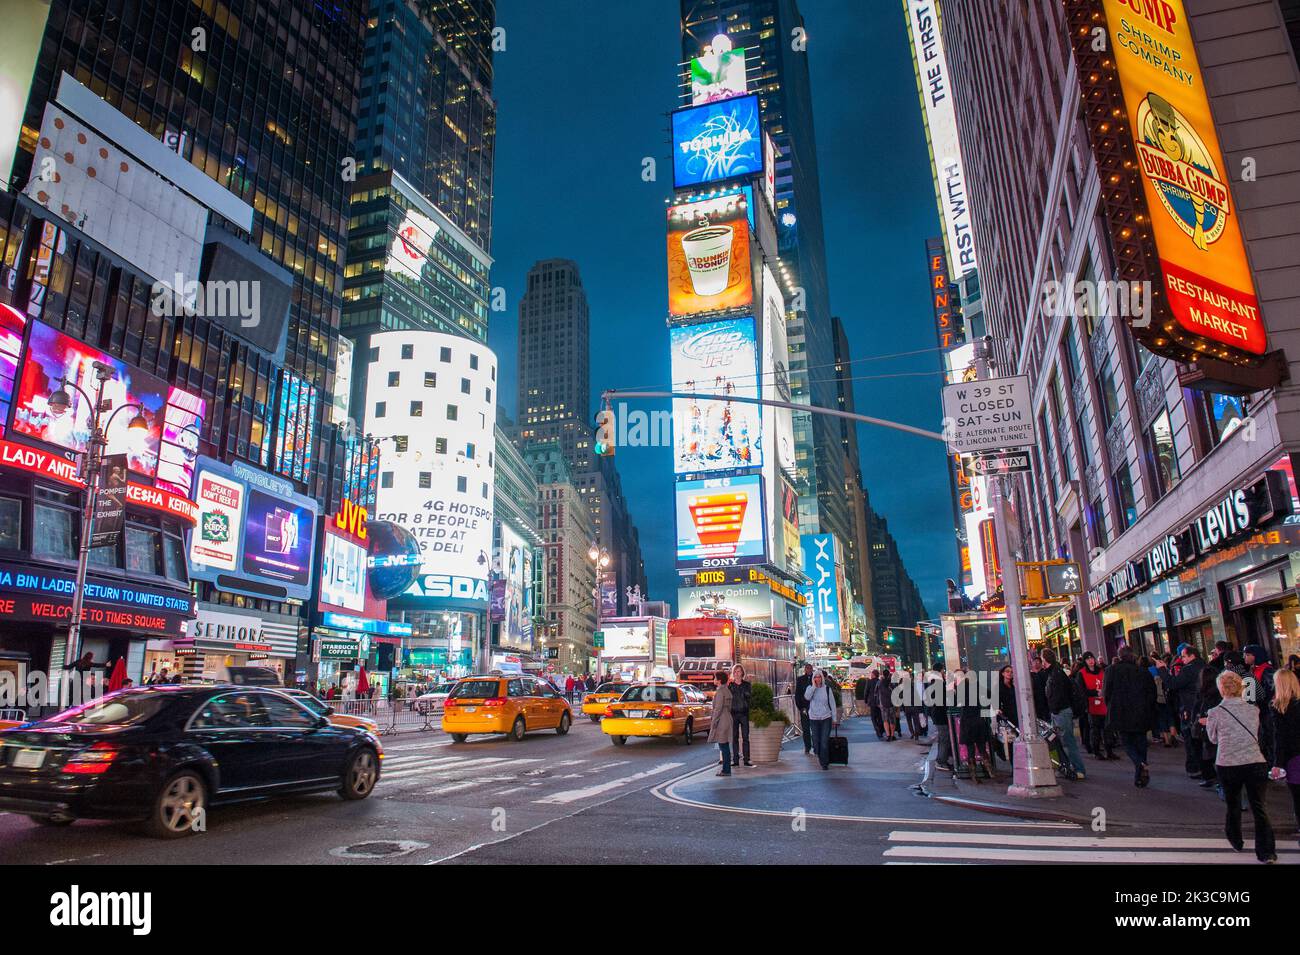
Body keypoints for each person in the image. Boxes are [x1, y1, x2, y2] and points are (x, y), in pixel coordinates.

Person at [1203, 670, 1277, 863]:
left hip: (1228, 762)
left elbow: (1212, 738)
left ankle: (1236, 839)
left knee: (1233, 803)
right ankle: (1267, 851)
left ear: (1221, 689)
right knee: (1259, 806)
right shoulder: (1254, 710)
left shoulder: (1215, 712)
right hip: (1254, 761)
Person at [1104, 647, 1157, 787]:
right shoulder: (1143, 672)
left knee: (1127, 742)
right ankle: (1140, 771)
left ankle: (1139, 764)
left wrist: (1110, 706)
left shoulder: (1111, 670)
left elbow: (1106, 692)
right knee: (1140, 742)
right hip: (1141, 712)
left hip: (1121, 712)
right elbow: (1152, 693)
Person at [1042, 648, 1086, 779]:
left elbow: (1059, 695)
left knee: (1067, 741)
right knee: (1059, 742)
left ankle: (1078, 769)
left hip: (1061, 711)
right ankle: (1068, 767)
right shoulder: (1055, 672)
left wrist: (1054, 708)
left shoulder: (1056, 674)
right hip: (1058, 712)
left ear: (1045, 660)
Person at [1269, 668, 1300, 840]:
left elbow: (1280, 738)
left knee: (1297, 797)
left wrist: (1277, 763)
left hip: (1294, 757)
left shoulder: (1280, 708)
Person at [1168, 644, 1206, 777]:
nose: (1181, 659)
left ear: (1192, 656)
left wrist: (1162, 670)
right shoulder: (1205, 666)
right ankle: (1205, 769)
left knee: (1192, 739)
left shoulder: (1188, 670)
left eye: (1183, 656)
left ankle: (1196, 768)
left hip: (1190, 708)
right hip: (1203, 707)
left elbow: (1173, 684)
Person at [958, 669, 998, 780]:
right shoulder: (980, 688)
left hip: (967, 721)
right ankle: (990, 770)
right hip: (979, 721)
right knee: (981, 747)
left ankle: (973, 774)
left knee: (970, 748)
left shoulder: (962, 689)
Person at [1077, 653, 1117, 760]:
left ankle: (1109, 750)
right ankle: (1096, 751)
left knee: (1107, 729)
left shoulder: (1101, 671)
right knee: (1095, 729)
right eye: (1088, 659)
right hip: (1091, 704)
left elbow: (1107, 684)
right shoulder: (1082, 674)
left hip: (1103, 703)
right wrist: (1095, 692)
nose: (1090, 661)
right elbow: (1081, 691)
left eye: (1091, 658)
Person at [804, 669, 838, 770]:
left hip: (826, 717)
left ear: (822, 678)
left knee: (824, 741)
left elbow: (832, 704)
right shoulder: (810, 688)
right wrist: (814, 687)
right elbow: (807, 697)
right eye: (815, 677)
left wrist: (834, 718)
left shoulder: (827, 689)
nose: (817, 679)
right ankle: (819, 753)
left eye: (819, 677)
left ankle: (824, 763)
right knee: (815, 741)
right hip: (813, 718)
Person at [707, 672, 735, 776]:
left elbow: (717, 709)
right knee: (725, 745)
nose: (713, 679)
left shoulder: (719, 692)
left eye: (715, 678)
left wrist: (713, 722)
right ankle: (726, 769)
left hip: (722, 720)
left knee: (723, 746)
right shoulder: (727, 690)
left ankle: (726, 770)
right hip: (728, 718)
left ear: (719, 680)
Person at [926, 669, 953, 771]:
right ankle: (941, 761)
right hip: (940, 715)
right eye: (942, 672)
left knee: (943, 738)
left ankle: (942, 759)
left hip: (938, 715)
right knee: (944, 738)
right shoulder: (938, 686)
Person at [729, 664, 753, 768]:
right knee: (734, 738)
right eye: (735, 671)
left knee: (745, 737)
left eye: (739, 671)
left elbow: (749, 697)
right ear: (733, 673)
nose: (737, 673)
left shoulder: (747, 685)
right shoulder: (730, 686)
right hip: (733, 714)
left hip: (744, 714)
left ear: (742, 673)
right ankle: (735, 760)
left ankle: (747, 759)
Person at [794, 663, 815, 755]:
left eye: (810, 669)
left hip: (815, 708)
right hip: (804, 708)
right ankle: (807, 746)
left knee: (814, 728)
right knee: (806, 728)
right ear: (805, 670)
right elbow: (797, 694)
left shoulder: (816, 678)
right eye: (807, 669)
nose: (809, 670)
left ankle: (816, 746)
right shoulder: (800, 679)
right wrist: (800, 707)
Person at [874, 668, 899, 741]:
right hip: (892, 704)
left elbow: (875, 693)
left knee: (885, 720)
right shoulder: (892, 683)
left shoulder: (879, 683)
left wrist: (878, 703)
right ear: (889, 675)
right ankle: (892, 735)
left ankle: (888, 735)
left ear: (883, 675)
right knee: (892, 720)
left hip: (883, 704)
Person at [865, 669, 884, 739]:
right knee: (880, 717)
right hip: (879, 702)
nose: (870, 675)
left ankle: (877, 730)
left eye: (871, 674)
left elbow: (866, 691)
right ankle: (881, 731)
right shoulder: (880, 681)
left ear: (874, 675)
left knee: (873, 718)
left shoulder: (869, 682)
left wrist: (866, 700)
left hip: (872, 702)